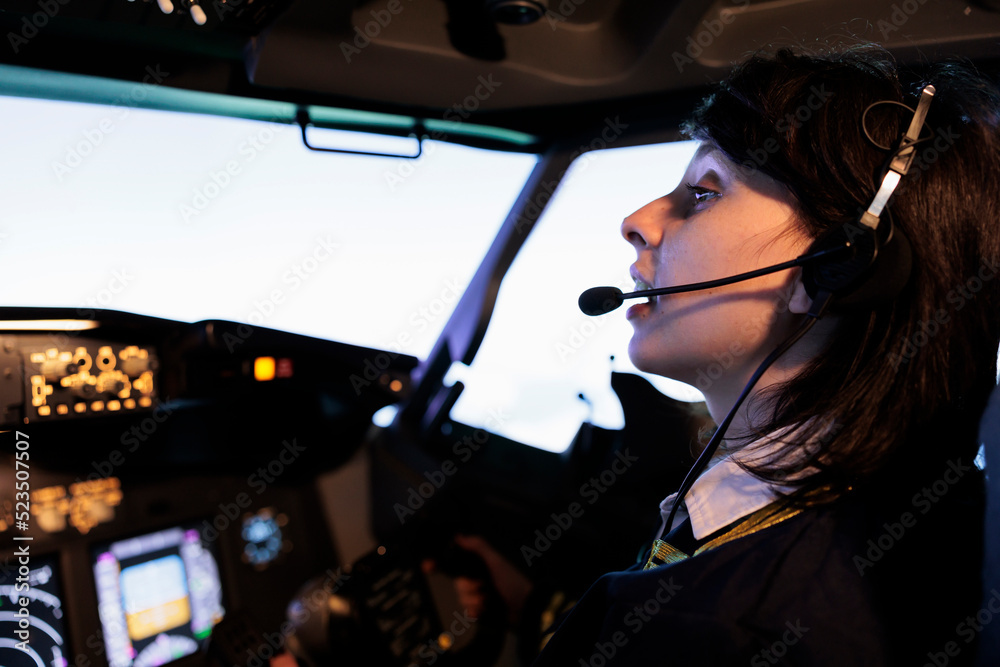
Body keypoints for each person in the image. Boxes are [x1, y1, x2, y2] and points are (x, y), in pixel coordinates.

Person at [456, 45, 1000, 666]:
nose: (636, 220)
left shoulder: (723, 627)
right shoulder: (931, 522)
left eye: (704, 194)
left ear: (840, 264)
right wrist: (536, 610)